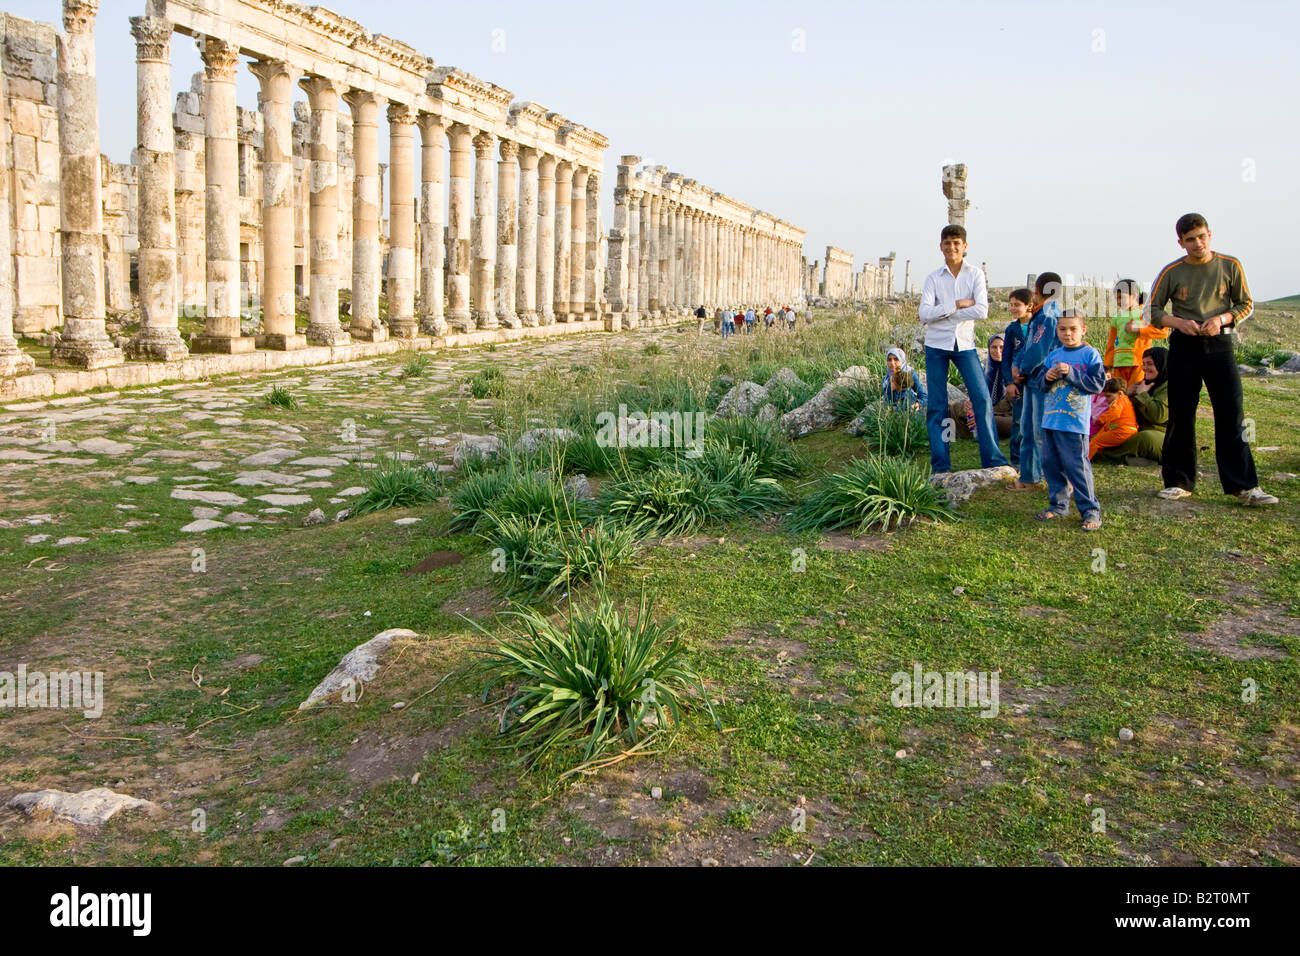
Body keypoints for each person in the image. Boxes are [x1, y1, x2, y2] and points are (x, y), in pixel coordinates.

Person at [1148, 213, 1277, 506]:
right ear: (1180, 242)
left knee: (1231, 412)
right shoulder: (1172, 271)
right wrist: (1177, 323)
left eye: (1202, 236)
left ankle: (1244, 486)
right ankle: (1178, 482)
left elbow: (1245, 304)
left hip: (1220, 344)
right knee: (1181, 413)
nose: (1198, 243)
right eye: (1190, 239)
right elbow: (1152, 309)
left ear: (1210, 235)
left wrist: (1223, 318)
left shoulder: (1230, 265)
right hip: (1183, 345)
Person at [917, 225, 1009, 473]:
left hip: (964, 344)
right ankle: (941, 464)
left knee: (981, 398)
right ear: (941, 247)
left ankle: (992, 459)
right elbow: (923, 313)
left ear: (964, 246)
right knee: (937, 405)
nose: (952, 247)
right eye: (947, 243)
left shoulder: (975, 274)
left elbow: (981, 310)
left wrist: (941, 313)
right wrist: (956, 305)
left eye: (956, 243)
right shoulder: (933, 278)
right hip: (936, 345)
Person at [1029, 307, 1106, 530]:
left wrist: (1070, 373)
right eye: (1062, 329)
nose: (1068, 333)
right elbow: (1041, 385)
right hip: (1050, 421)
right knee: (1051, 465)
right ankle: (1058, 505)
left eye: (1073, 329)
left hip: (1074, 422)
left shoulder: (1090, 355)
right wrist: (1048, 377)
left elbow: (1097, 384)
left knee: (1077, 467)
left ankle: (1090, 510)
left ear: (1083, 330)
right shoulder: (1053, 356)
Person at [1009, 272, 1062, 489]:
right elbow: (1029, 346)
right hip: (1033, 380)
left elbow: (1038, 350)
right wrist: (1017, 364)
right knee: (1029, 430)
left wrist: (1021, 368)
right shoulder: (1041, 314)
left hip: (1042, 380)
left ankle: (1054, 478)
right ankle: (1030, 477)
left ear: (1037, 290)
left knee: (1040, 431)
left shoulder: (1047, 316)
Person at [1096, 347, 1169, 463]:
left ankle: (1100, 456)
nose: (1145, 368)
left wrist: (1143, 394)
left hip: (1163, 437)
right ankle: (1134, 459)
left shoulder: (1170, 387)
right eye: (1143, 364)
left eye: (1150, 364)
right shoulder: (1143, 383)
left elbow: (1158, 416)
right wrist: (1126, 395)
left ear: (1162, 364)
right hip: (1134, 430)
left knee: (1146, 438)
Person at [1000, 289, 1034, 467]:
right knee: (1019, 421)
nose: (1013, 308)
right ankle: (1017, 461)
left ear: (1029, 305)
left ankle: (1037, 461)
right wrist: (1009, 382)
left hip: (1036, 381)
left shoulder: (1040, 326)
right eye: (1011, 304)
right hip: (1018, 383)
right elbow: (1006, 358)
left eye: (1017, 305)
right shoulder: (1012, 329)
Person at [1089, 377, 1138, 460]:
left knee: (1096, 441)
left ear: (1120, 393)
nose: (1106, 399)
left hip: (1122, 431)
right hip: (1126, 429)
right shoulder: (1124, 400)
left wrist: (1100, 419)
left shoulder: (1119, 401)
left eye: (1108, 396)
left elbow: (1115, 413)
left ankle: (1084, 460)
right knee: (1099, 435)